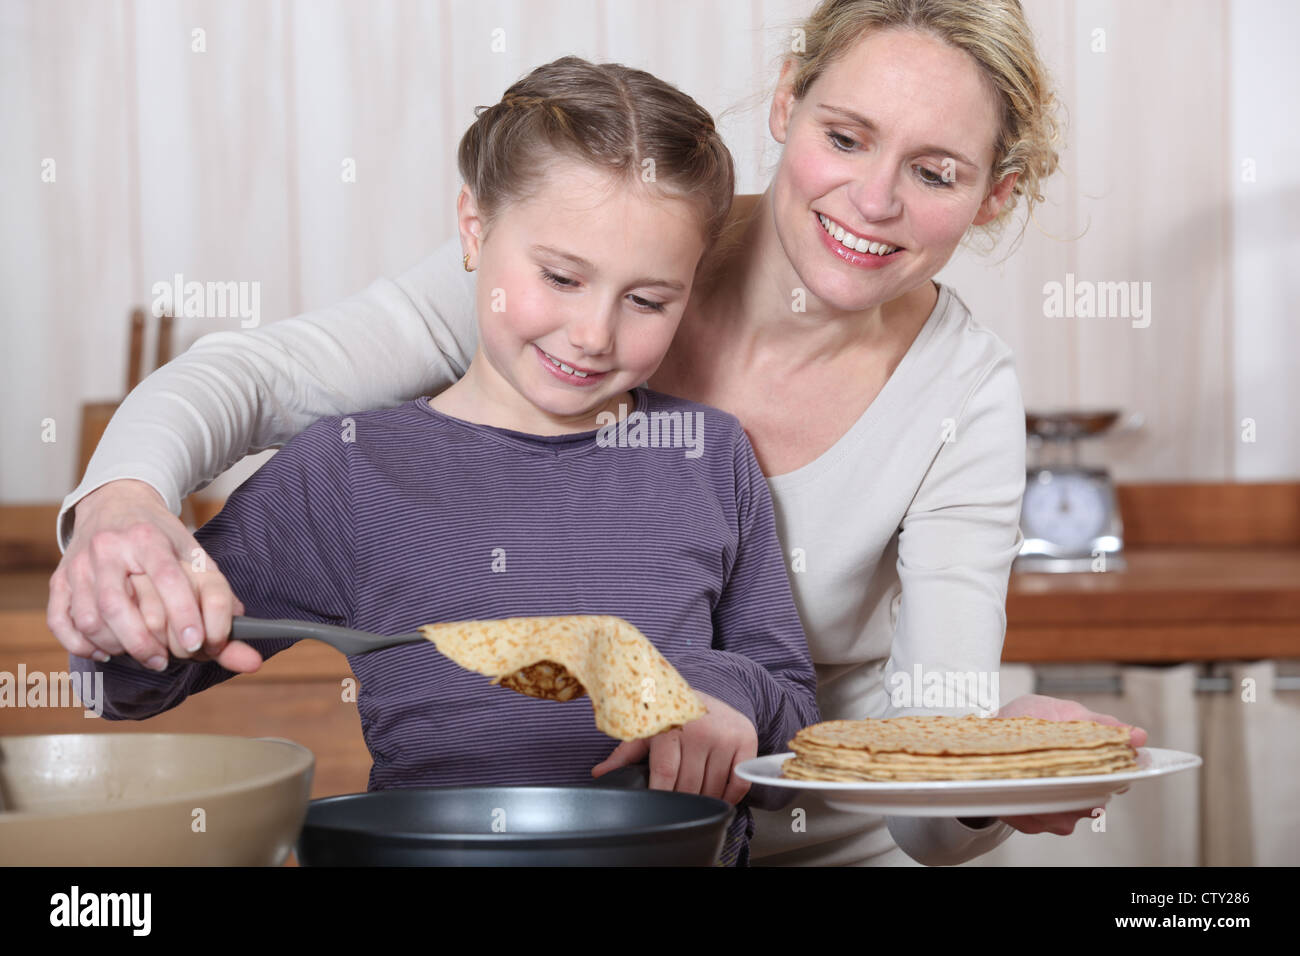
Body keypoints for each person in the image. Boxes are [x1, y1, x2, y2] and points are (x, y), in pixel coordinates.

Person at [50, 0, 1147, 866]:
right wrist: (124, 525)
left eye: (935, 171)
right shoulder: (579, 239)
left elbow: (874, 736)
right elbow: (254, 384)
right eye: (846, 135)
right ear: (785, 103)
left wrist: (995, 768)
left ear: (993, 196)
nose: (872, 198)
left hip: (803, 850)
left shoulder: (826, 428)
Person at [66, 56, 821, 868]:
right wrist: (136, 621)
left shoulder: (709, 458)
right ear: (474, 229)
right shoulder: (350, 471)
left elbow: (790, 707)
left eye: (647, 300)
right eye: (561, 276)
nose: (595, 333)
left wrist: (725, 702)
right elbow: (122, 689)